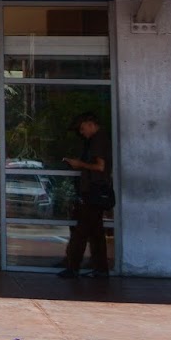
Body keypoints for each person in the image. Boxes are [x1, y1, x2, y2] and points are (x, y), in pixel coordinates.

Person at [59, 112, 113, 278]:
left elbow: (100, 167)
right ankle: (100, 268)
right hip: (96, 191)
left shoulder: (97, 140)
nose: (82, 133)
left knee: (81, 231)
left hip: (93, 191)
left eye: (83, 129)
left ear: (91, 124)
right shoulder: (99, 139)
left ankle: (73, 266)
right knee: (96, 232)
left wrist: (79, 164)